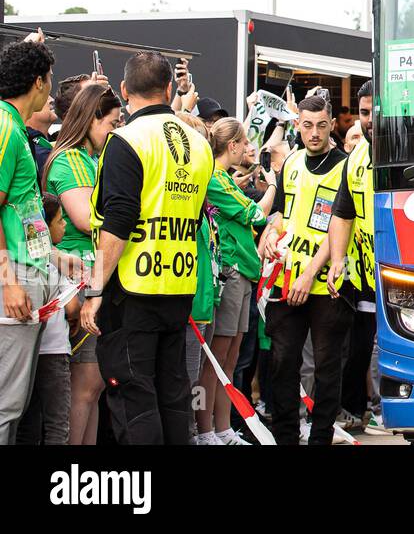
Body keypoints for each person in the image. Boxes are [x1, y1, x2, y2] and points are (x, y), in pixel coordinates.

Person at [80, 51, 216, 445]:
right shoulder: (199, 144)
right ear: (169, 89)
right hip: (179, 283)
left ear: (124, 90)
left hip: (131, 287)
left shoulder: (126, 140)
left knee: (133, 394)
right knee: (172, 393)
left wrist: (95, 290)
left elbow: (118, 220)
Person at [256, 94, 350, 445]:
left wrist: (310, 273)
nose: (314, 133)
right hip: (287, 279)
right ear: (298, 125)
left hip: (327, 283)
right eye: (307, 125)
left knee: (326, 365)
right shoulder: (292, 162)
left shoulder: (345, 167)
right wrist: (270, 232)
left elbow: (341, 224)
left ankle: (321, 437)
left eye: (322, 126)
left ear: (331, 125)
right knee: (282, 362)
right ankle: (285, 437)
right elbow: (281, 212)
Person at [42, 82, 122, 444]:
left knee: (95, 384)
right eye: (111, 124)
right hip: (79, 276)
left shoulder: (91, 158)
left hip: (95, 274)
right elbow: (87, 219)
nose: (114, 132)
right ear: (91, 119)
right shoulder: (70, 159)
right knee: (85, 384)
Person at [193, 118, 279, 445]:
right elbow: (256, 214)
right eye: (244, 142)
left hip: (244, 271)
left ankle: (222, 428)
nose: (248, 148)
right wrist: (273, 185)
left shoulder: (224, 178)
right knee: (215, 361)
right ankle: (205, 430)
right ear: (232, 145)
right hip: (230, 272)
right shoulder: (215, 178)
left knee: (230, 359)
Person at [0, 36, 64, 445]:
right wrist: (9, 281)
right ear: (38, 81)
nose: (51, 88)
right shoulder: (5, 127)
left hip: (28, 270)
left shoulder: (12, 126)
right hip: (15, 278)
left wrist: (53, 257)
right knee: (5, 404)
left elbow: (20, 210)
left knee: (14, 403)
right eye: (50, 78)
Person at [326, 81, 379, 434]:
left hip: (406, 270)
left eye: (375, 111)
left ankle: (386, 408)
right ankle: (364, 408)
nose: (369, 119)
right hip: (366, 276)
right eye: (363, 113)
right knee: (363, 348)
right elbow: (342, 214)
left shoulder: (411, 147)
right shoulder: (356, 157)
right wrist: (337, 261)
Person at [15, 192, 73, 444]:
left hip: (23, 352)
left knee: (25, 423)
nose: (65, 225)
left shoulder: (18, 262)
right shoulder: (57, 264)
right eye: (60, 220)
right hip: (54, 352)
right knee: (57, 425)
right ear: (45, 228)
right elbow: (73, 308)